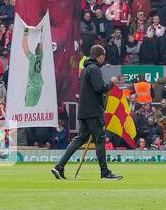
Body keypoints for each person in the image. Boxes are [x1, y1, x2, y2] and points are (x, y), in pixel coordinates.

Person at [51, 45, 122, 180]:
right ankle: (105, 172)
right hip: (94, 111)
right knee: (100, 139)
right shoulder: (94, 69)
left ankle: (59, 167)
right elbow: (99, 88)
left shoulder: (85, 70)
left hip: (84, 110)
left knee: (79, 139)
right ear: (100, 56)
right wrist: (111, 84)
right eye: (103, 57)